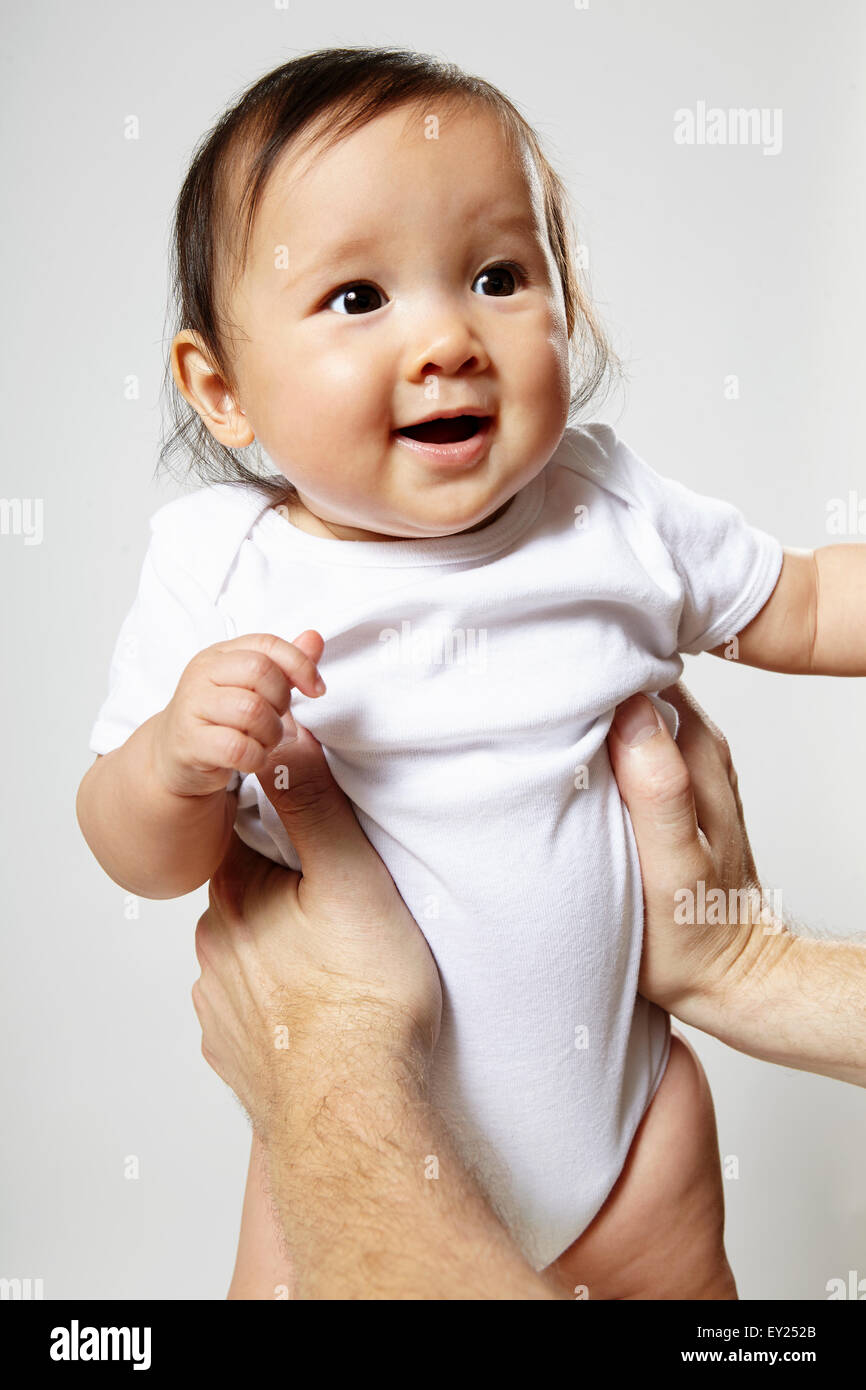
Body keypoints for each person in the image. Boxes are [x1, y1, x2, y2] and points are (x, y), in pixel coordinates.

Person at [76, 46, 866, 1292]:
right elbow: (138, 852)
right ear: (218, 388)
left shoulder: (605, 509)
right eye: (356, 298)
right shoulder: (220, 566)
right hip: (346, 1131)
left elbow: (812, 602)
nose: (448, 335)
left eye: (497, 275)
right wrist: (174, 760)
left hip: (630, 1130)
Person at [192, 687, 866, 1299]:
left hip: (627, 1142)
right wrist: (748, 965)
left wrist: (326, 1070)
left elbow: (801, 609)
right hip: (602, 1120)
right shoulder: (238, 584)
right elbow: (137, 832)